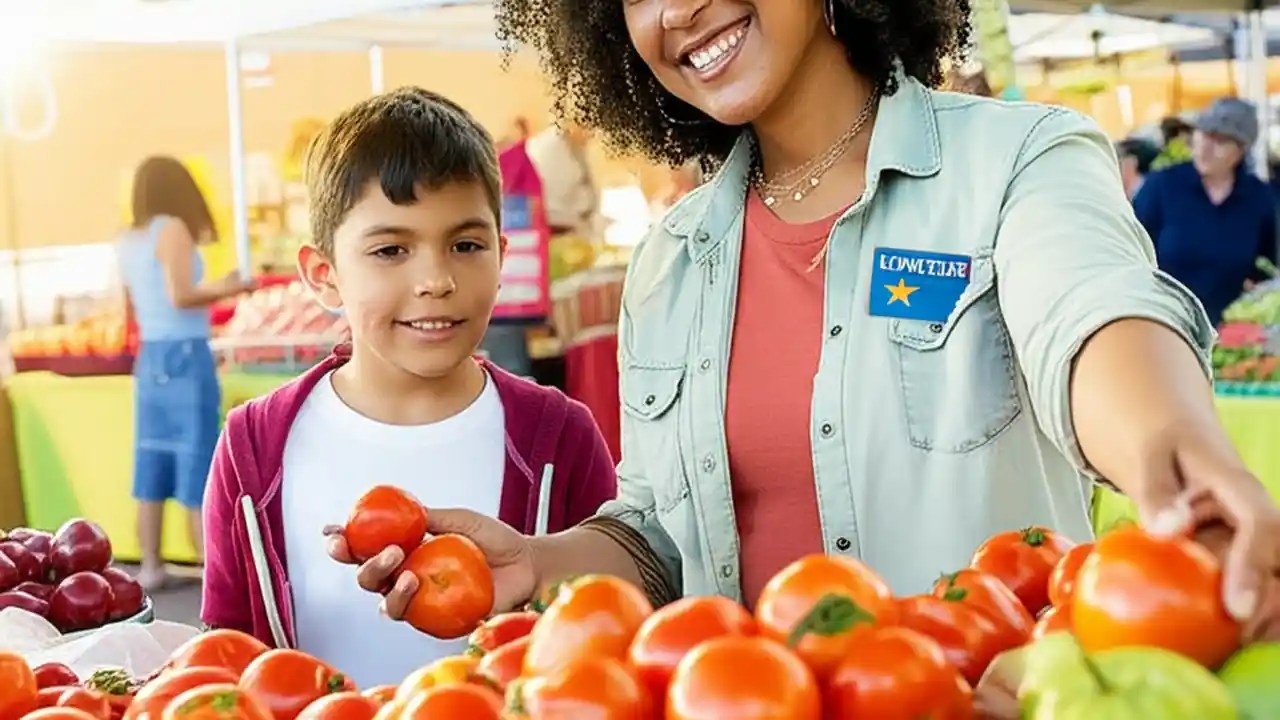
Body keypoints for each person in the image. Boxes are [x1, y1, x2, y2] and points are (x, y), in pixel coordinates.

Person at [334, 0, 1280, 648]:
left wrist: (1177, 449)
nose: (679, 11)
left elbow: (1095, 314)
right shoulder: (674, 257)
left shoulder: (1018, 161)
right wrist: (537, 563)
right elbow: (667, 532)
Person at [199, 88, 617, 686]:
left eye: (466, 245)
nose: (437, 280)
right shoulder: (253, 446)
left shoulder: (560, 437)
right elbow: (223, 663)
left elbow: (605, 634)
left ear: (503, 255)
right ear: (325, 276)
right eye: (391, 249)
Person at [117, 156, 254, 591]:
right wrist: (230, 286)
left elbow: (135, 303)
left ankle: (151, 565)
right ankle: (209, 567)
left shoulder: (127, 239)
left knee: (151, 459)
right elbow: (182, 295)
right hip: (184, 353)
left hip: (150, 357)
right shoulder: (170, 228)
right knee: (198, 458)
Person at [1134, 98, 1278, 326]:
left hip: (1230, 332)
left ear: (1241, 150)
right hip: (1163, 325)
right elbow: (1131, 252)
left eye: (1219, 141)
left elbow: (1270, 264)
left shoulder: (1259, 199)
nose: (1205, 148)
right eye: (1202, 135)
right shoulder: (1162, 186)